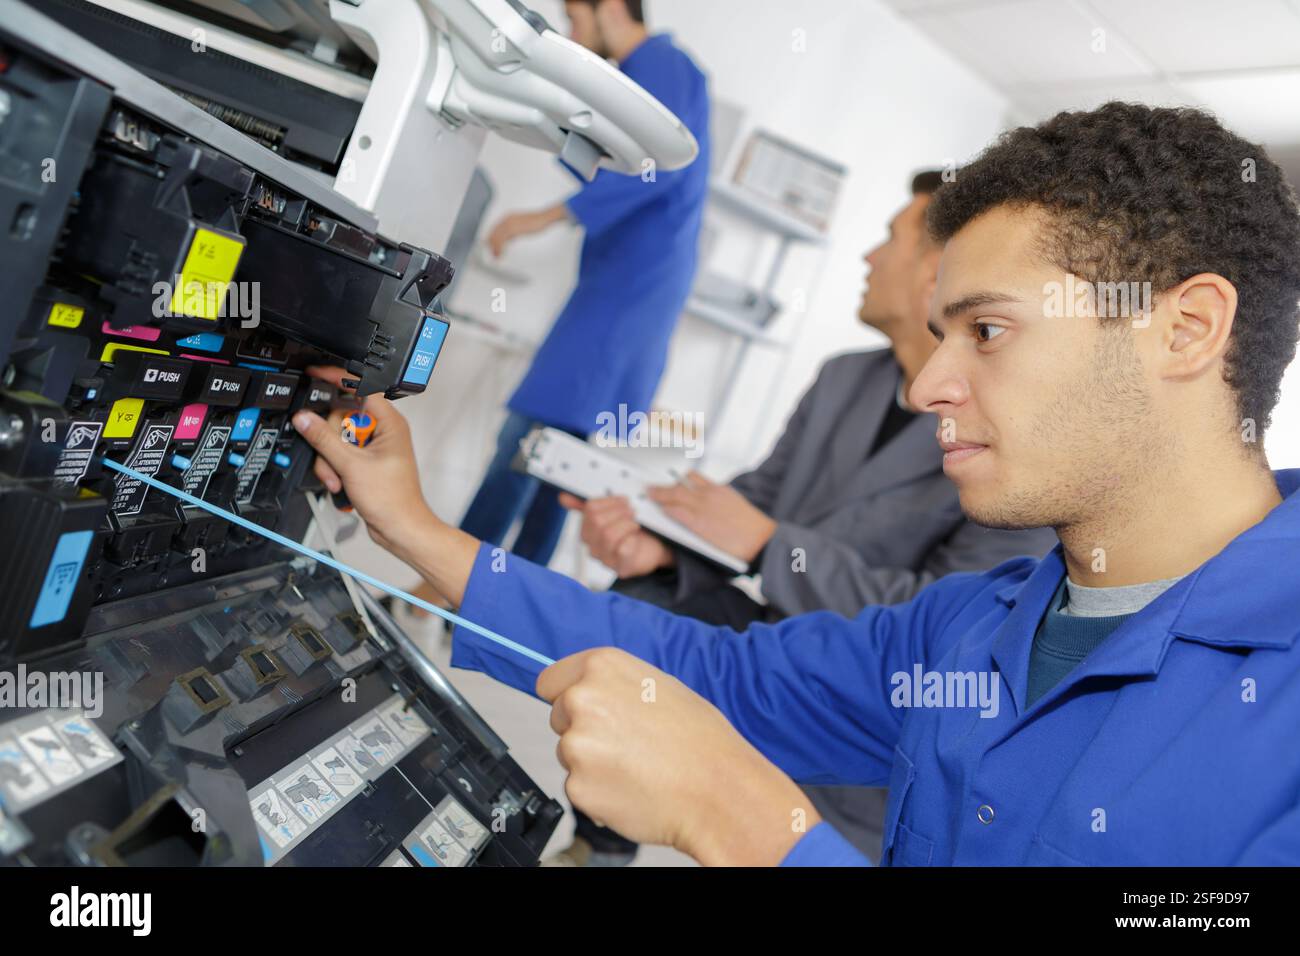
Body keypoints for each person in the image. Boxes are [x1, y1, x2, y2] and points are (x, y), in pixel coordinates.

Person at [295, 102, 1300, 865]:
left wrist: (754, 822)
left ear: (1183, 329)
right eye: (942, 330)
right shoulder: (973, 626)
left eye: (988, 330)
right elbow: (720, 676)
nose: (929, 383)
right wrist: (417, 527)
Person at [548, 170, 1056, 865]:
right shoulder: (846, 375)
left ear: (939, 271)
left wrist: (767, 544)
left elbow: (948, 620)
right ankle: (598, 845)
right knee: (638, 608)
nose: (869, 257)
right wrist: (664, 548)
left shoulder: (1013, 443)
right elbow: (758, 495)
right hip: (769, 631)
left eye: (889, 240)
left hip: (864, 693)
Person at [452, 0, 710, 569]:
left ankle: (452, 574)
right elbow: (603, 160)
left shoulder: (664, 64)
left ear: (611, 7)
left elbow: (662, 170)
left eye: (574, 16)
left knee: (528, 438)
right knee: (563, 459)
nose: (572, 30)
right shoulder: (637, 75)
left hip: (629, 291)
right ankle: (510, 593)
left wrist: (536, 219)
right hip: (624, 284)